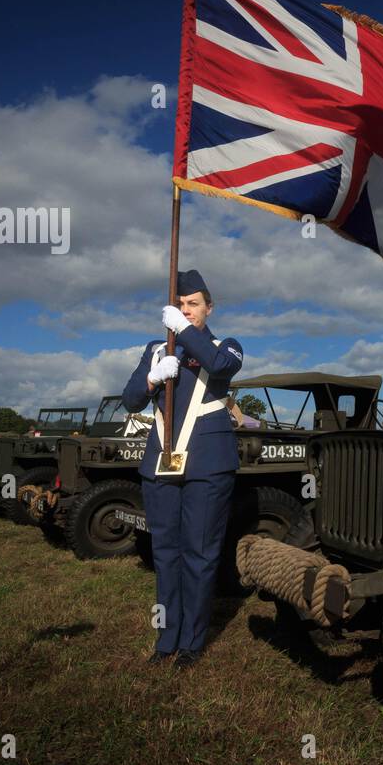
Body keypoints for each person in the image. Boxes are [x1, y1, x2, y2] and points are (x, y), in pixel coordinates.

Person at [122, 269, 243, 669]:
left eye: (194, 304)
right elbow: (131, 400)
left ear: (210, 306)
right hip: (161, 463)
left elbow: (220, 366)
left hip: (208, 465)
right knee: (166, 552)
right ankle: (166, 637)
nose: (187, 310)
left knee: (200, 553)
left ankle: (192, 641)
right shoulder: (156, 349)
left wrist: (184, 331)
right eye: (181, 305)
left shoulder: (227, 345)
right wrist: (154, 378)